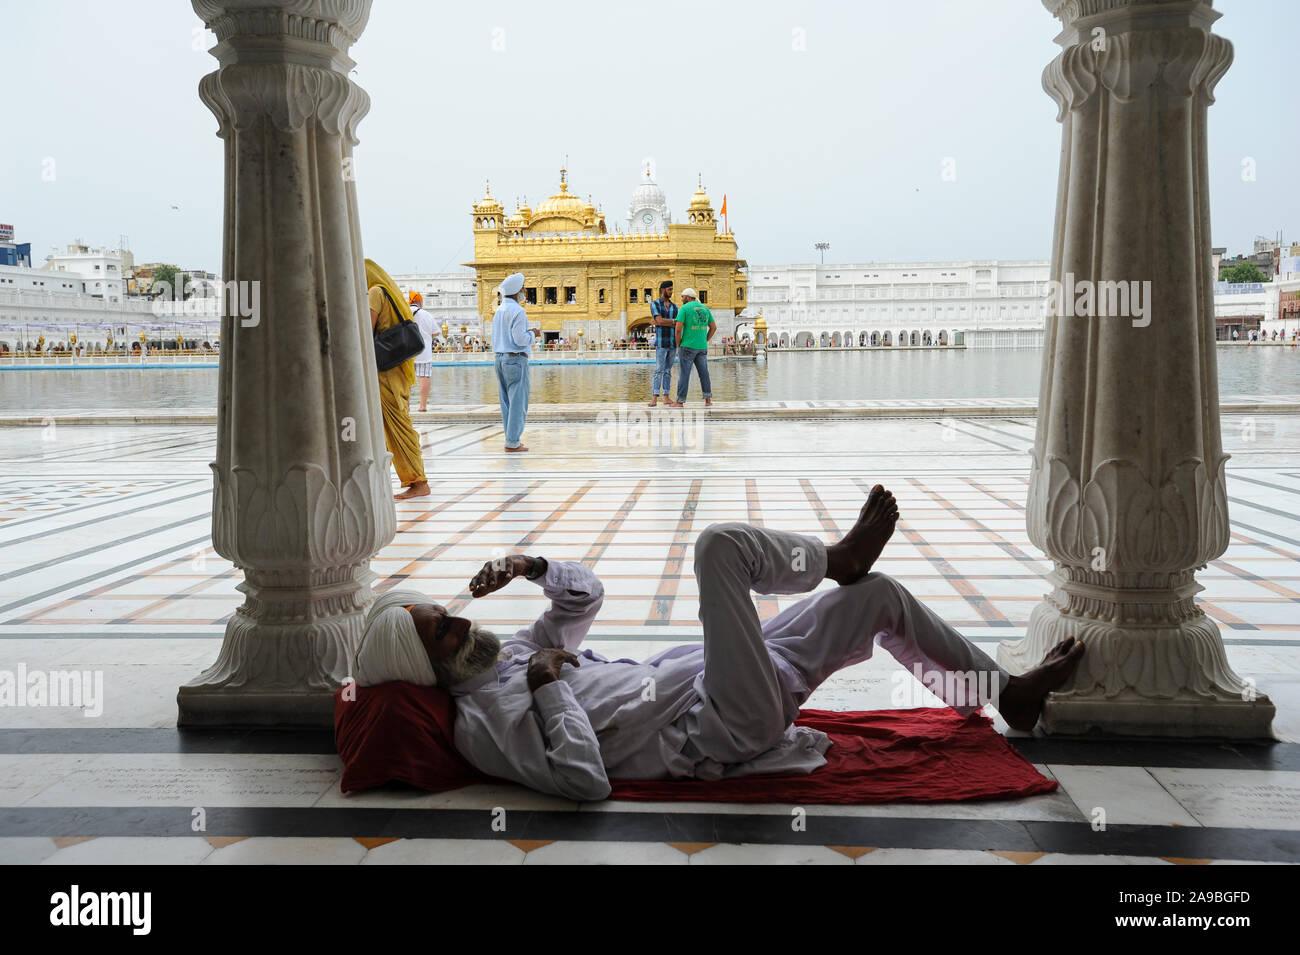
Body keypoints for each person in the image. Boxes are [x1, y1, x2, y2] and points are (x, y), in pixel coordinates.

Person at [353, 485, 1086, 801]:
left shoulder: (508, 652)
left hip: (732, 674)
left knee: (880, 598)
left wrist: (530, 565)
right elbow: (583, 780)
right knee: (718, 549)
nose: (458, 622)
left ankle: (1003, 694)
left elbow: (586, 599)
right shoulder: (484, 723)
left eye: (443, 614)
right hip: (717, 725)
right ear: (427, 666)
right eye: (441, 632)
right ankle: (835, 557)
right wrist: (550, 692)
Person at [366, 259, 429, 500]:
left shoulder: (374, 292)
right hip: (396, 370)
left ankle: (418, 481)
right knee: (396, 423)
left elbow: (364, 328)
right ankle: (399, 477)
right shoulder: (387, 291)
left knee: (398, 426)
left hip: (385, 372)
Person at [491, 272, 540, 452]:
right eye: (523, 288)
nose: (525, 291)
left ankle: (510, 439)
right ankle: (512, 443)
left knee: (506, 402)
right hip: (516, 359)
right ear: (516, 291)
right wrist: (533, 334)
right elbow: (520, 339)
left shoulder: (499, 310)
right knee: (518, 402)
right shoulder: (518, 311)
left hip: (500, 359)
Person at [669, 287, 715, 408]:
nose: (681, 299)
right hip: (702, 347)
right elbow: (713, 327)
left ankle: (679, 401)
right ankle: (708, 400)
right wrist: (705, 339)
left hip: (687, 346)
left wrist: (678, 344)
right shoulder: (705, 309)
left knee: (684, 373)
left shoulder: (684, 308)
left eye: (683, 297)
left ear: (688, 297)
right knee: (704, 373)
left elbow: (678, 329)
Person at [647, 280, 678, 407]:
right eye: (669, 289)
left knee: (668, 371)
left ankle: (666, 397)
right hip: (661, 342)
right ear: (663, 290)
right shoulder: (655, 304)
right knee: (659, 370)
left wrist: (663, 322)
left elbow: (678, 323)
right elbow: (658, 321)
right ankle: (654, 397)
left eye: (672, 289)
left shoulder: (675, 307)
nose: (671, 292)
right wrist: (672, 322)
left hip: (672, 342)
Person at [408, 291, 437, 413]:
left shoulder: (404, 312)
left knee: (406, 380)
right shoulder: (426, 314)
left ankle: (406, 406)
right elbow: (436, 333)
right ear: (420, 302)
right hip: (423, 351)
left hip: (406, 352)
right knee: (423, 377)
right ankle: (423, 405)